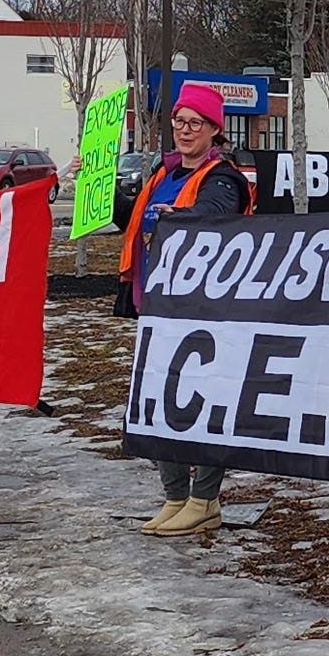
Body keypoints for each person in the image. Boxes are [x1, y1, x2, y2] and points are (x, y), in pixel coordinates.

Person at [121, 81, 257, 537]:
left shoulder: (222, 178)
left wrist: (171, 220)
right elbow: (134, 223)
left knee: (202, 406)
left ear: (214, 130)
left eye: (194, 123)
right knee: (161, 406)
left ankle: (205, 499)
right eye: (178, 121)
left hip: (203, 311)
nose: (183, 130)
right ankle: (176, 496)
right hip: (159, 306)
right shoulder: (166, 173)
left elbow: (214, 218)